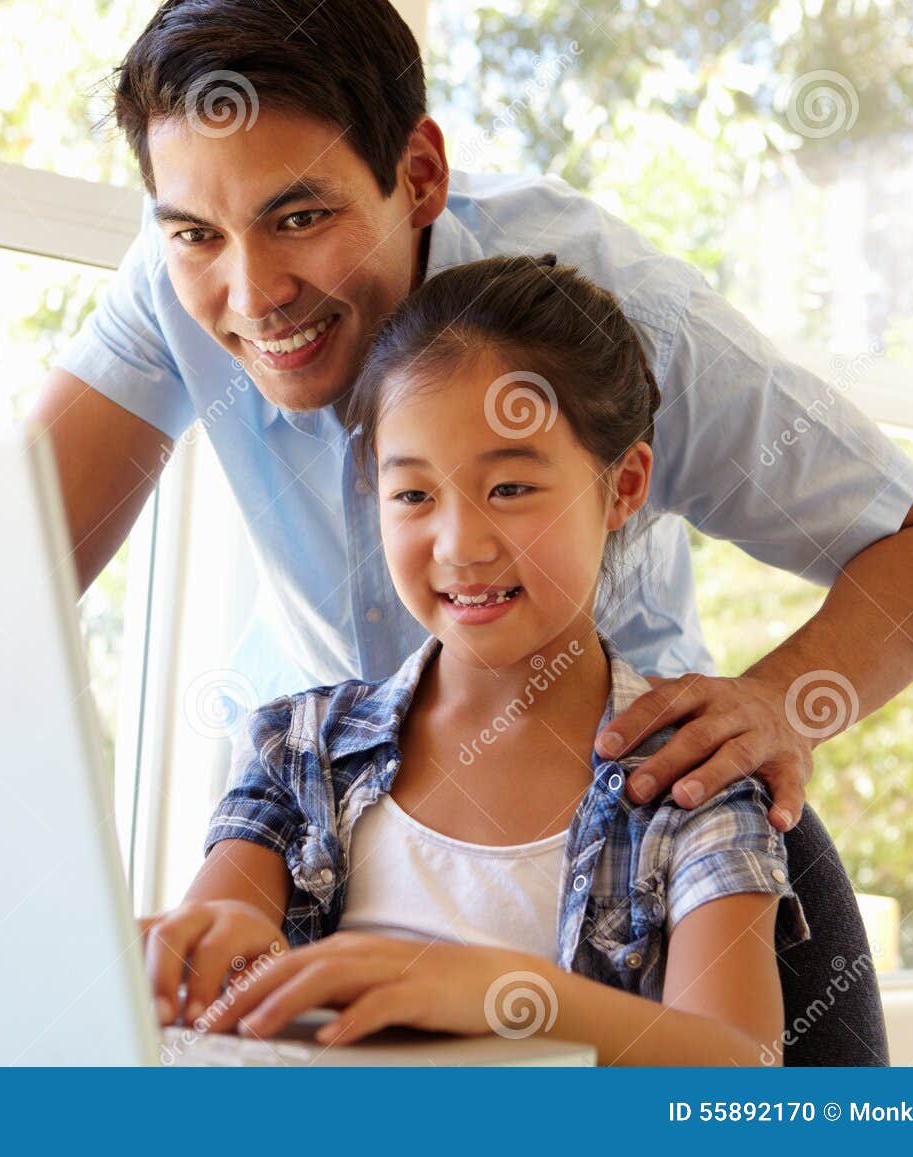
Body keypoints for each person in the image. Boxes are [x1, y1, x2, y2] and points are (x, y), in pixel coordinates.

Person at [31, 0, 913, 1063]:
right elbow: (6, 574)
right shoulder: (296, 760)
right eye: (198, 234)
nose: (252, 292)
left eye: (301, 217)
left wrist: (776, 702)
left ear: (420, 175)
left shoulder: (617, 320)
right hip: (352, 836)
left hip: (645, 818)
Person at [142, 254, 811, 1066]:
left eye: (510, 489)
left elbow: (742, 1076)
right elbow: (208, 964)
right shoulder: (301, 748)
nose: (459, 545)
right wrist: (215, 946)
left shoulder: (689, 783)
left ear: (624, 483)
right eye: (414, 495)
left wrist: (507, 997)